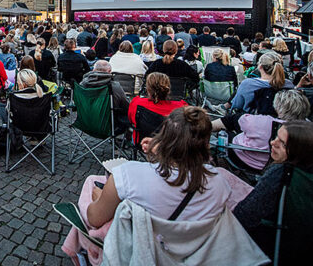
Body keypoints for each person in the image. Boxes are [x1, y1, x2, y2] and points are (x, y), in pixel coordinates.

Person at [86, 106, 231, 228]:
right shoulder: (220, 183)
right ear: (206, 144)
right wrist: (159, 153)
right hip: (195, 254)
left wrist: (99, 197)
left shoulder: (127, 176)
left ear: (164, 136)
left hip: (141, 249)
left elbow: (94, 219)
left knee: (91, 183)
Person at [233, 121, 313, 257]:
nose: (272, 143)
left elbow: (244, 217)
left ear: (301, 153)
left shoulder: (283, 173)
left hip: (270, 244)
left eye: (282, 143)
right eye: (276, 136)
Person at [212, 89, 311, 171]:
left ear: (278, 107)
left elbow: (237, 121)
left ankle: (206, 127)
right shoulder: (310, 128)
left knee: (229, 125)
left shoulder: (261, 121)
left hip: (246, 160)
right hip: (286, 167)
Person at [128, 72, 188, 142]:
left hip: (144, 142)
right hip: (172, 145)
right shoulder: (182, 106)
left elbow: (132, 120)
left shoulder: (137, 102)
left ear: (148, 88)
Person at [227, 52, 291, 113]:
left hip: (251, 121)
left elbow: (236, 106)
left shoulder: (247, 84)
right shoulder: (288, 84)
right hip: (280, 121)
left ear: (260, 66)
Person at [80, 60, 130, 126]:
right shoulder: (114, 86)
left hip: (87, 119)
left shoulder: (82, 84)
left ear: (93, 70)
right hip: (108, 122)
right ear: (109, 71)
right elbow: (126, 105)